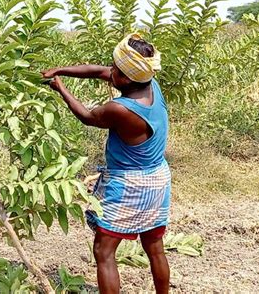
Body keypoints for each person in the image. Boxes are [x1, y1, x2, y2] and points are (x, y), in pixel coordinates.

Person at [41, 33, 171, 294]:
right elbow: (100, 71)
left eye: (115, 69)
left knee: (104, 250)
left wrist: (60, 88)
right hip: (158, 177)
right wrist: (61, 69)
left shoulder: (121, 109)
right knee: (154, 246)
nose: (109, 71)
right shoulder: (149, 85)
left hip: (130, 184)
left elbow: (88, 117)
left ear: (126, 78)